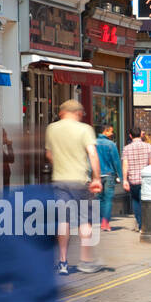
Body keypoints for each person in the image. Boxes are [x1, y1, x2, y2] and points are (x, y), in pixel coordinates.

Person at [43, 100, 102, 275]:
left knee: (63, 221)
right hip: (80, 181)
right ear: (77, 113)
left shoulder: (51, 129)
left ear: (61, 113)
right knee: (85, 220)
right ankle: (86, 261)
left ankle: (62, 262)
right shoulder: (85, 129)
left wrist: (60, 165)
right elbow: (92, 154)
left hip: (60, 181)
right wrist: (96, 178)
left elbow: (49, 154)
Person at [120, 127, 151, 231]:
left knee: (136, 202)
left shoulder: (126, 148)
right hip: (146, 179)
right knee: (146, 202)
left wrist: (125, 180)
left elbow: (125, 165)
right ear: (141, 134)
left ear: (130, 136)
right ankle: (147, 224)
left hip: (133, 180)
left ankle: (141, 225)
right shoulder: (148, 147)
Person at [94, 125, 122, 232]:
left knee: (100, 199)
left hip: (97, 176)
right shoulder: (111, 144)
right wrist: (121, 177)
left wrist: (89, 176)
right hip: (109, 175)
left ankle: (102, 221)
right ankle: (106, 221)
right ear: (105, 132)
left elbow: (89, 159)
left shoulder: (93, 143)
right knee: (108, 199)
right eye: (111, 131)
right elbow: (116, 161)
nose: (112, 133)